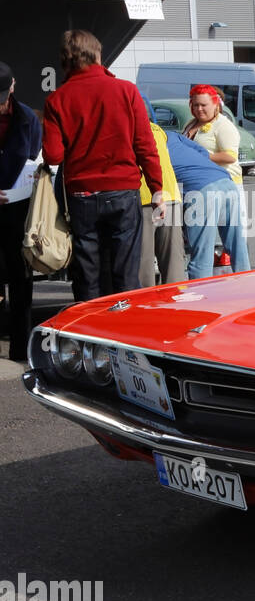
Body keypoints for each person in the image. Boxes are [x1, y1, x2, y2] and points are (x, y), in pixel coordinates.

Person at [41, 29, 163, 302]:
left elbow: (53, 156)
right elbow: (145, 145)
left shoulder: (57, 99)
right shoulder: (126, 91)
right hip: (123, 191)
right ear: (97, 54)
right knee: (125, 270)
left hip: (82, 195)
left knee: (87, 271)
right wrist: (157, 189)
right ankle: (124, 332)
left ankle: (88, 334)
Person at [162, 113, 251, 280]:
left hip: (201, 190)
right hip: (225, 180)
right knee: (237, 245)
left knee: (202, 252)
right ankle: (247, 287)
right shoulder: (171, 135)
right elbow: (201, 151)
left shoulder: (145, 144)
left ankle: (200, 298)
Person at [0, 61, 41, 360]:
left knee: (20, 275)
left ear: (12, 86)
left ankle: (20, 344)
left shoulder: (27, 117)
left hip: (17, 206)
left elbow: (33, 159)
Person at [135, 101, 185, 288]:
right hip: (170, 195)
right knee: (173, 259)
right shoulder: (157, 129)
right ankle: (176, 300)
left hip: (145, 198)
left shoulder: (128, 131)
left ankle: (145, 305)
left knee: (144, 259)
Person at [183, 85, 242, 184]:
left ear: (215, 105)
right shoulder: (190, 123)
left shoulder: (223, 125)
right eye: (195, 105)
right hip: (197, 182)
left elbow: (230, 157)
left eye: (203, 105)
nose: (199, 109)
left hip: (222, 184)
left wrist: (197, 156)